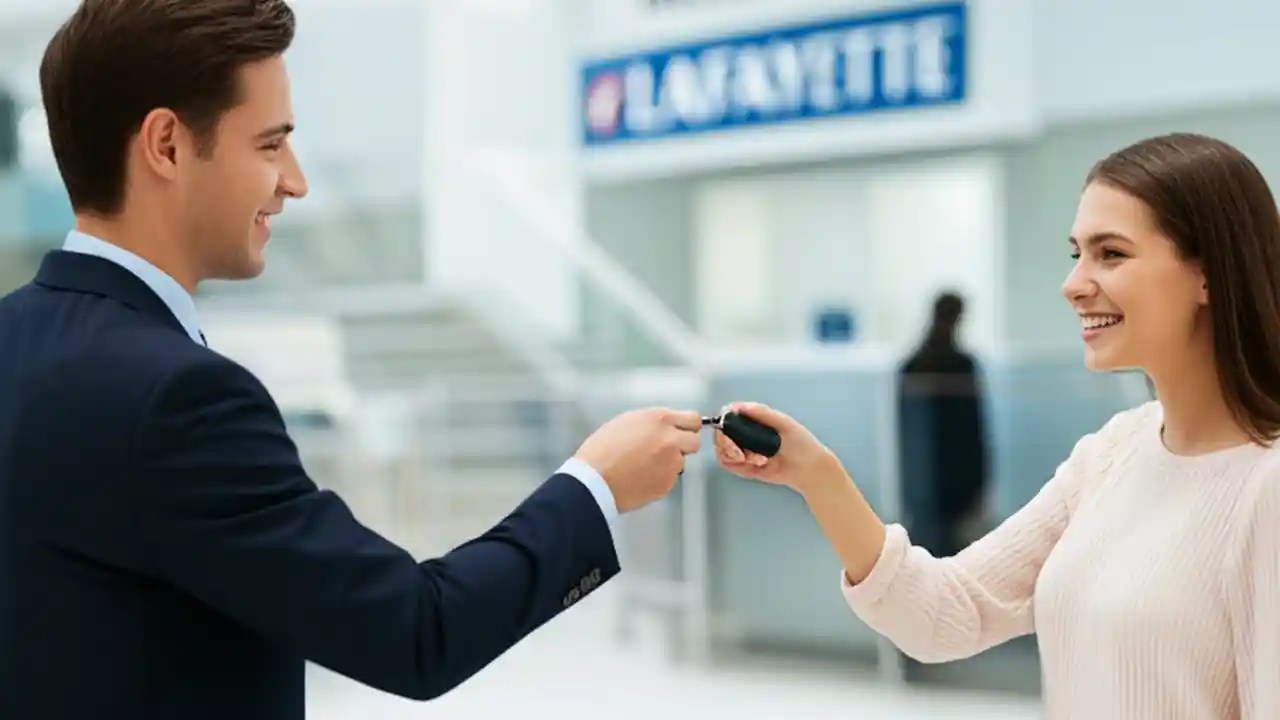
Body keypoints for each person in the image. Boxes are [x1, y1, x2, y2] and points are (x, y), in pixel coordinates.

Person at [0, 2, 702, 718]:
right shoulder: (177, 397)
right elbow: (417, 632)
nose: (295, 182)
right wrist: (596, 487)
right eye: (270, 146)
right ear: (167, 146)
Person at [715, 133, 1280, 718]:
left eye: (1111, 253)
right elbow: (942, 615)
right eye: (1076, 254)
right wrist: (816, 475)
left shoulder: (1268, 484)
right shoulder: (1112, 453)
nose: (1074, 283)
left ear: (1208, 274)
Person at [896, 290, 988, 558]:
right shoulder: (920, 368)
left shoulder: (923, 367)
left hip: (939, 482)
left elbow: (975, 431)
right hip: (934, 482)